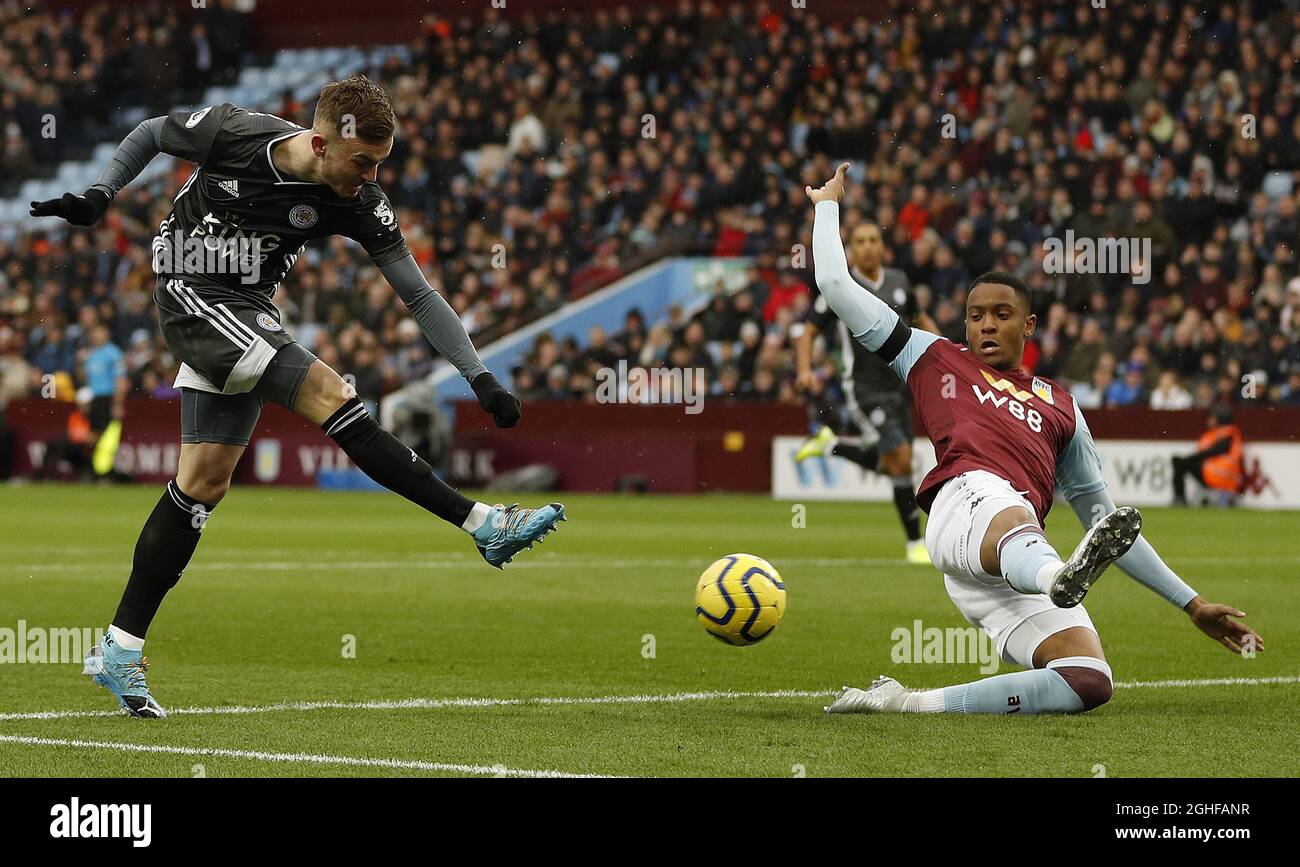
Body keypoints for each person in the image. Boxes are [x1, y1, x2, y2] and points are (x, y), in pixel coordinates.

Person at [30, 75, 566, 718]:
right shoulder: (235, 133)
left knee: (202, 484)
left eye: (380, 163)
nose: (370, 176)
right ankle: (482, 524)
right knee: (333, 394)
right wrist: (101, 194)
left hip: (247, 310)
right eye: (362, 161)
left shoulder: (358, 200)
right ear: (319, 142)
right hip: (190, 293)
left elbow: (418, 294)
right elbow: (151, 132)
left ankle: (118, 650)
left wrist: (479, 376)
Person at [803, 164, 1260, 715]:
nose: (986, 326)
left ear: (1030, 325)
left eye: (1001, 315)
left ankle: (907, 703)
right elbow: (834, 283)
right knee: (1010, 507)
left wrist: (1192, 604)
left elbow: (1107, 526)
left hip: (1009, 562)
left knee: (1087, 682)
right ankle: (1057, 574)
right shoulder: (930, 356)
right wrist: (827, 206)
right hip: (968, 508)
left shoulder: (1060, 405)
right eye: (976, 317)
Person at [793, 219, 939, 564]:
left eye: (874, 239)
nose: (869, 246)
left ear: (882, 246)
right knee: (902, 459)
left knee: (894, 463)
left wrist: (947, 352)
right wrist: (803, 370)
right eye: (861, 241)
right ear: (851, 249)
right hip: (863, 388)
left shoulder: (901, 282)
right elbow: (808, 333)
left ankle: (830, 445)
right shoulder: (840, 286)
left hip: (900, 386)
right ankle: (913, 544)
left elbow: (921, 321)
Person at [1171, 404, 1244, 506]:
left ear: (1221, 418)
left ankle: (1179, 499)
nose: (1209, 421)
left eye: (1212, 418)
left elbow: (1214, 451)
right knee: (1179, 461)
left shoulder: (1228, 432)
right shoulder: (1222, 432)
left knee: (1179, 462)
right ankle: (1180, 498)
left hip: (1220, 474)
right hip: (1216, 472)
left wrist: (1191, 458)